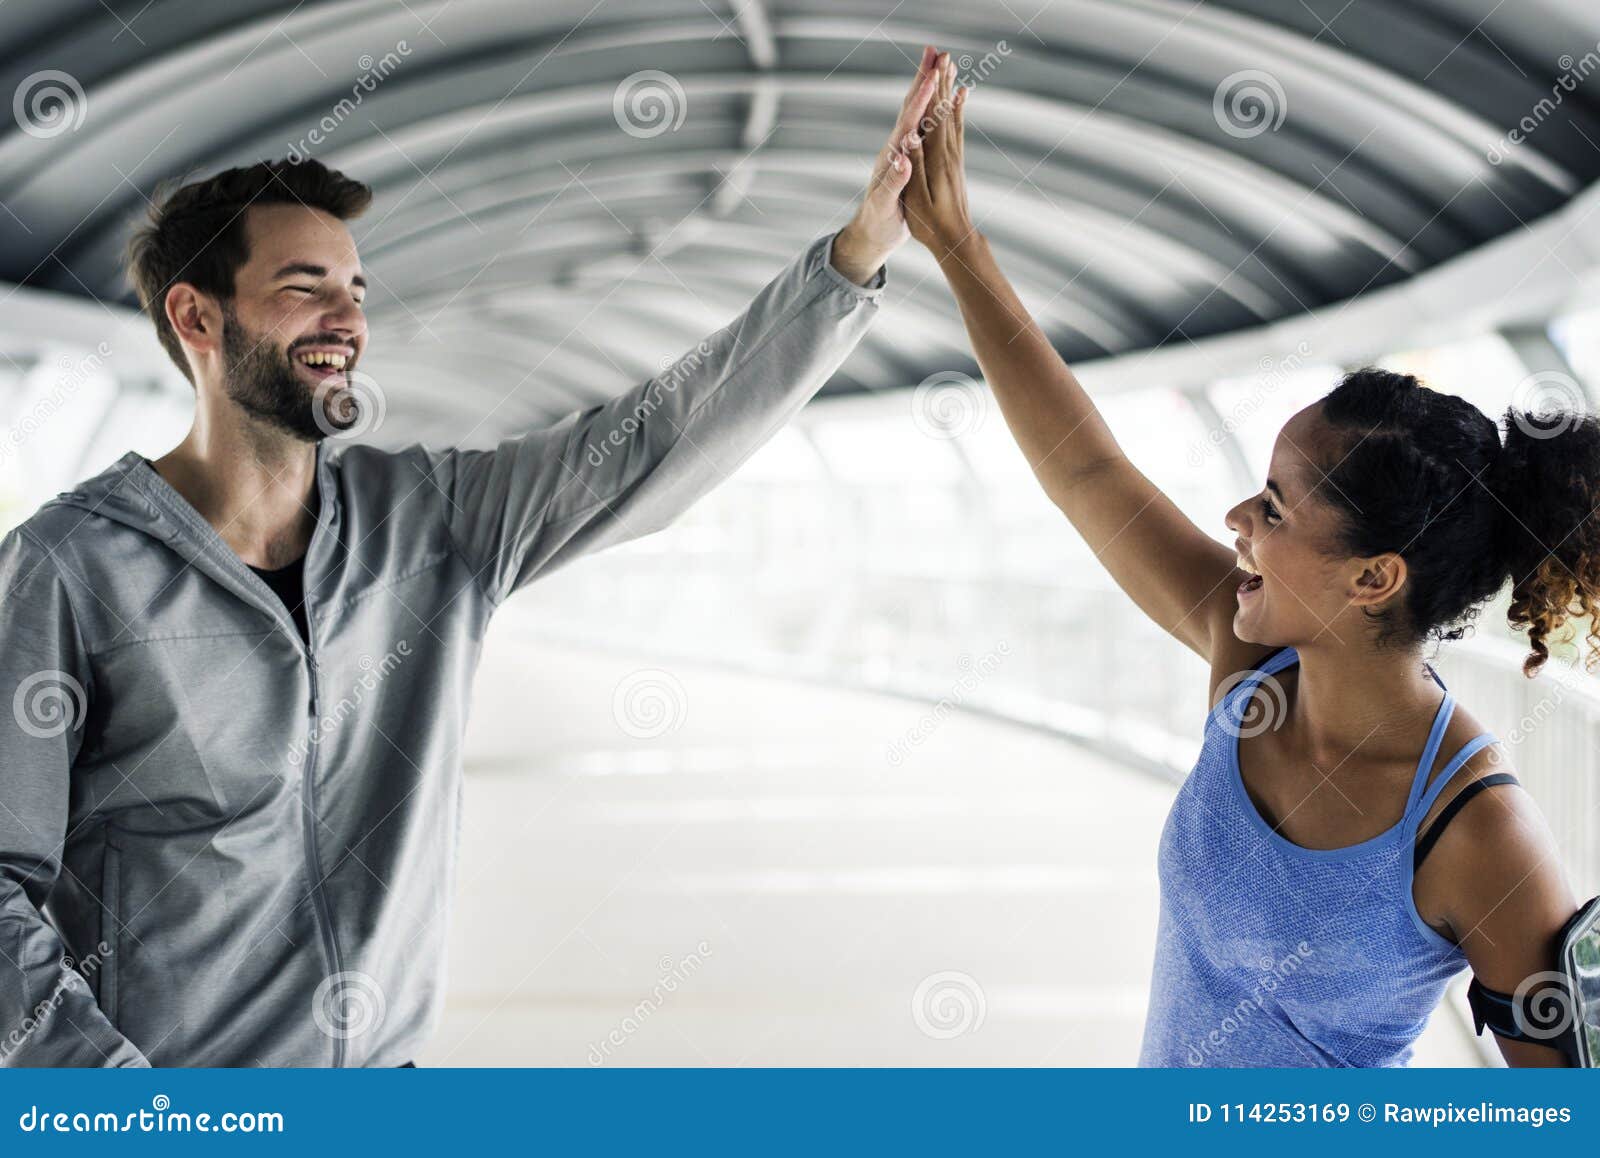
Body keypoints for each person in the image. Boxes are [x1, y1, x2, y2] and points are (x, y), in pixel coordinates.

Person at [0, 50, 944, 1067]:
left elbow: (656, 438)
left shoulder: (432, 520)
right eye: (304, 289)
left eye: (356, 292)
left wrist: (853, 258)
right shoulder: (68, 569)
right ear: (197, 317)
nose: (347, 323)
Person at [901, 52, 1597, 1066]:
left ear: (1372, 579)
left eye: (1273, 506)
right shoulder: (1252, 670)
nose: (1235, 518)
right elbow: (1087, 468)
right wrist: (957, 243)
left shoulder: (1477, 835)